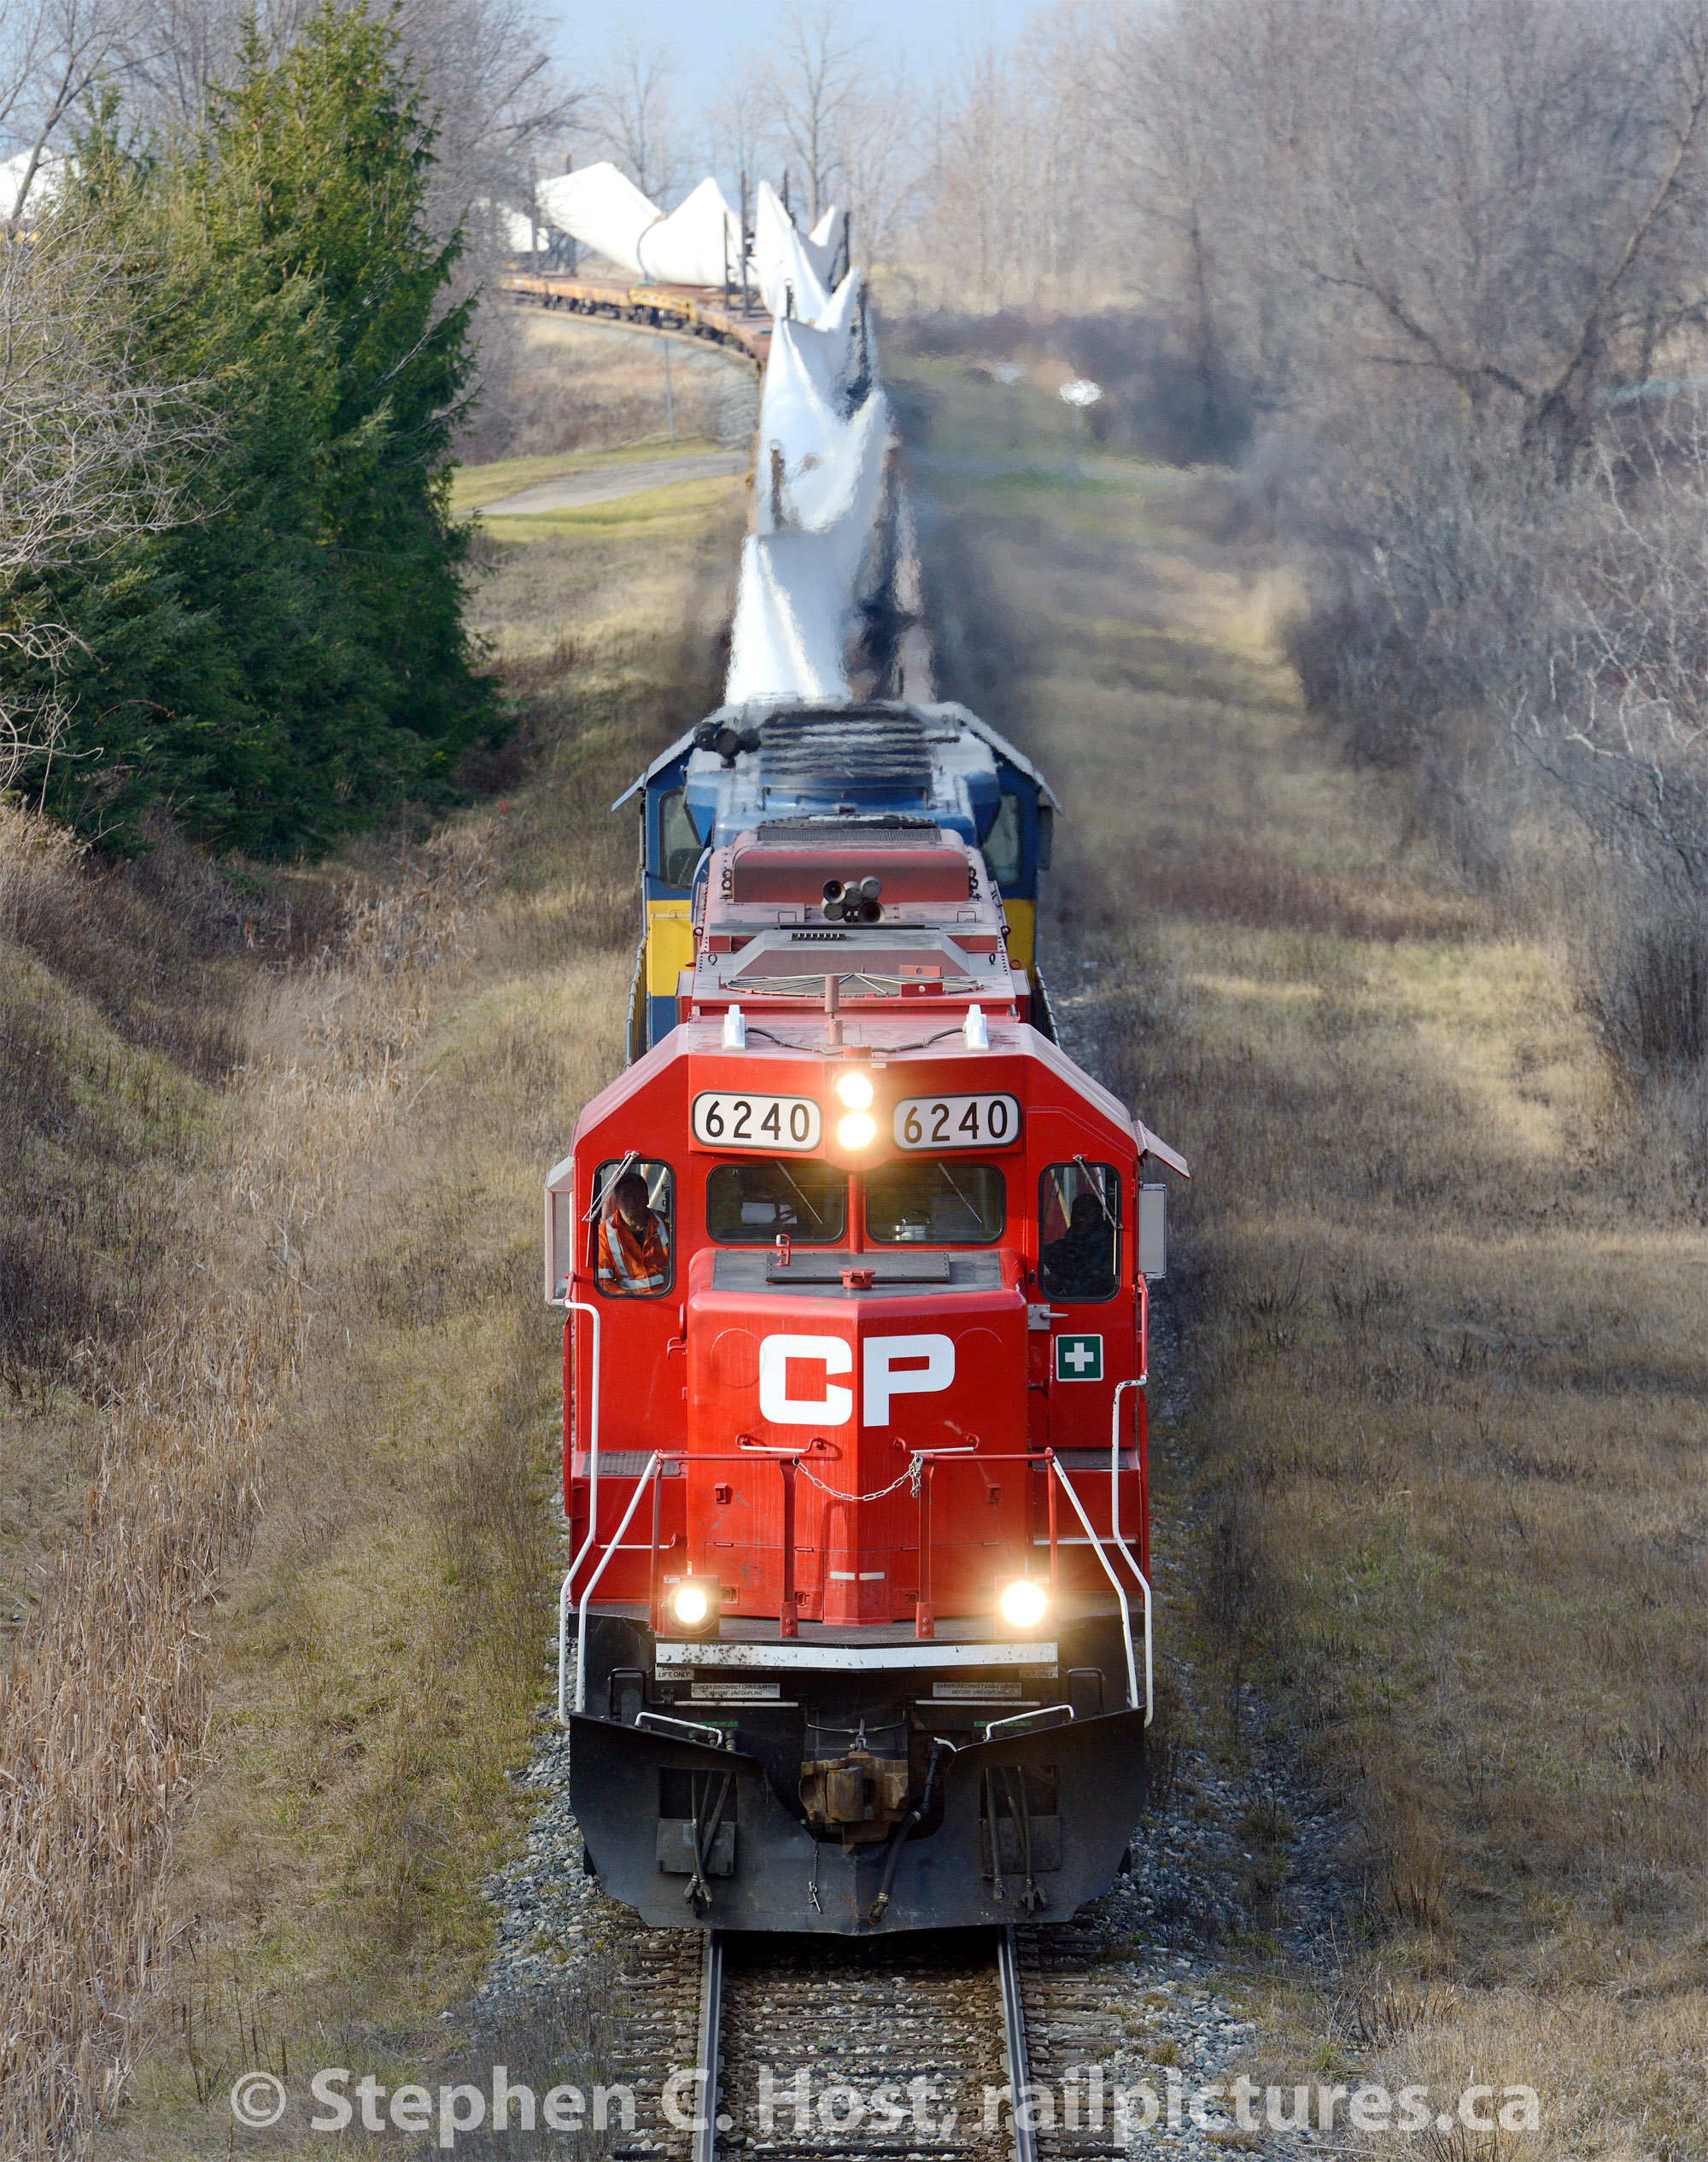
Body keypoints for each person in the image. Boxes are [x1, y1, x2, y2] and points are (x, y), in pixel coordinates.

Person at [598, 1171, 670, 1293]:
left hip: (669, 1302)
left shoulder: (668, 1225)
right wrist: (628, 1301)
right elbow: (603, 1282)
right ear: (617, 1201)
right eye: (626, 1197)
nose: (632, 1202)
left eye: (638, 1196)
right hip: (627, 1307)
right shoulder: (604, 1234)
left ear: (647, 1198)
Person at [1040, 1190, 1115, 1300]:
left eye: (1087, 1215)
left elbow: (1095, 1287)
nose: (1080, 1219)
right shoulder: (1066, 1245)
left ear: (1100, 1217)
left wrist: (1062, 1284)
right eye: (1076, 1213)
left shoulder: (1108, 1251)